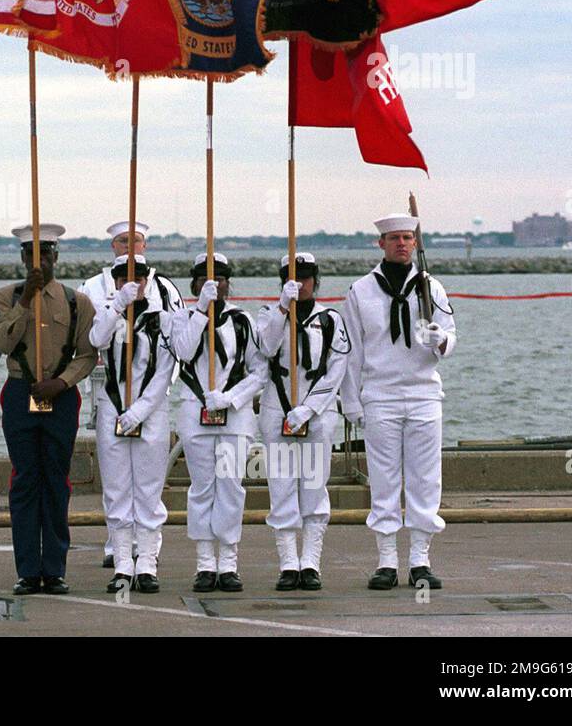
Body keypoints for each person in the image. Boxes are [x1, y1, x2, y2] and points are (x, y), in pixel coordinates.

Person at [341, 214, 457, 591]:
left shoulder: (431, 287)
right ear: (381, 244)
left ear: (415, 242)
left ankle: (420, 560)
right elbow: (351, 352)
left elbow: (451, 340)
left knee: (425, 480)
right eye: (394, 238)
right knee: (384, 479)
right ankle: (387, 561)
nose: (402, 244)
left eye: (408, 237)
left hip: (424, 393)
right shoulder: (361, 291)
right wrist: (351, 401)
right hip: (381, 395)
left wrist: (439, 338)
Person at [0, 223, 98, 596]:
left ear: (57, 256)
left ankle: (53, 569)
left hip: (60, 395)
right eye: (32, 256)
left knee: (55, 481)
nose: (40, 262)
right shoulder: (5, 298)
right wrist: (25, 302)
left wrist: (62, 382)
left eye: (47, 255)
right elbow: (3, 343)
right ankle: (26, 570)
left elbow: (87, 354)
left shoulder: (76, 301)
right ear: (22, 258)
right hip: (21, 392)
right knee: (24, 481)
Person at [79, 220, 182, 569]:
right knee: (118, 485)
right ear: (113, 246)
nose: (130, 247)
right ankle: (121, 554)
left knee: (149, 486)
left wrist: (153, 399)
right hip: (108, 391)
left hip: (152, 398)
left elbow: (175, 352)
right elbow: (91, 340)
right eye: (123, 241)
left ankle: (148, 556)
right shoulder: (94, 286)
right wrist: (116, 307)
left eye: (135, 241)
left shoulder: (164, 291)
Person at [169, 252, 267, 593]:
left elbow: (260, 371)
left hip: (234, 416)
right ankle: (204, 563)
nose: (214, 284)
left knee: (230, 486)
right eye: (206, 280)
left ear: (228, 284)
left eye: (221, 279)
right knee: (202, 489)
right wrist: (200, 313)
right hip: (196, 412)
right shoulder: (181, 318)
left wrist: (232, 398)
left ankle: (228, 562)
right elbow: (182, 352)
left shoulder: (243, 321)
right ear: (195, 284)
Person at [255, 252, 350, 591]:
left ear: (316, 279)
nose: (302, 283)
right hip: (276, 411)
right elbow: (265, 348)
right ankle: (287, 564)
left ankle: (310, 562)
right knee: (281, 489)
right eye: (294, 278)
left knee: (313, 488)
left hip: (317, 413)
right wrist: (283, 308)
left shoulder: (331, 320)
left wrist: (308, 409)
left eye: (307, 277)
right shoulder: (269, 315)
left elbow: (336, 369)